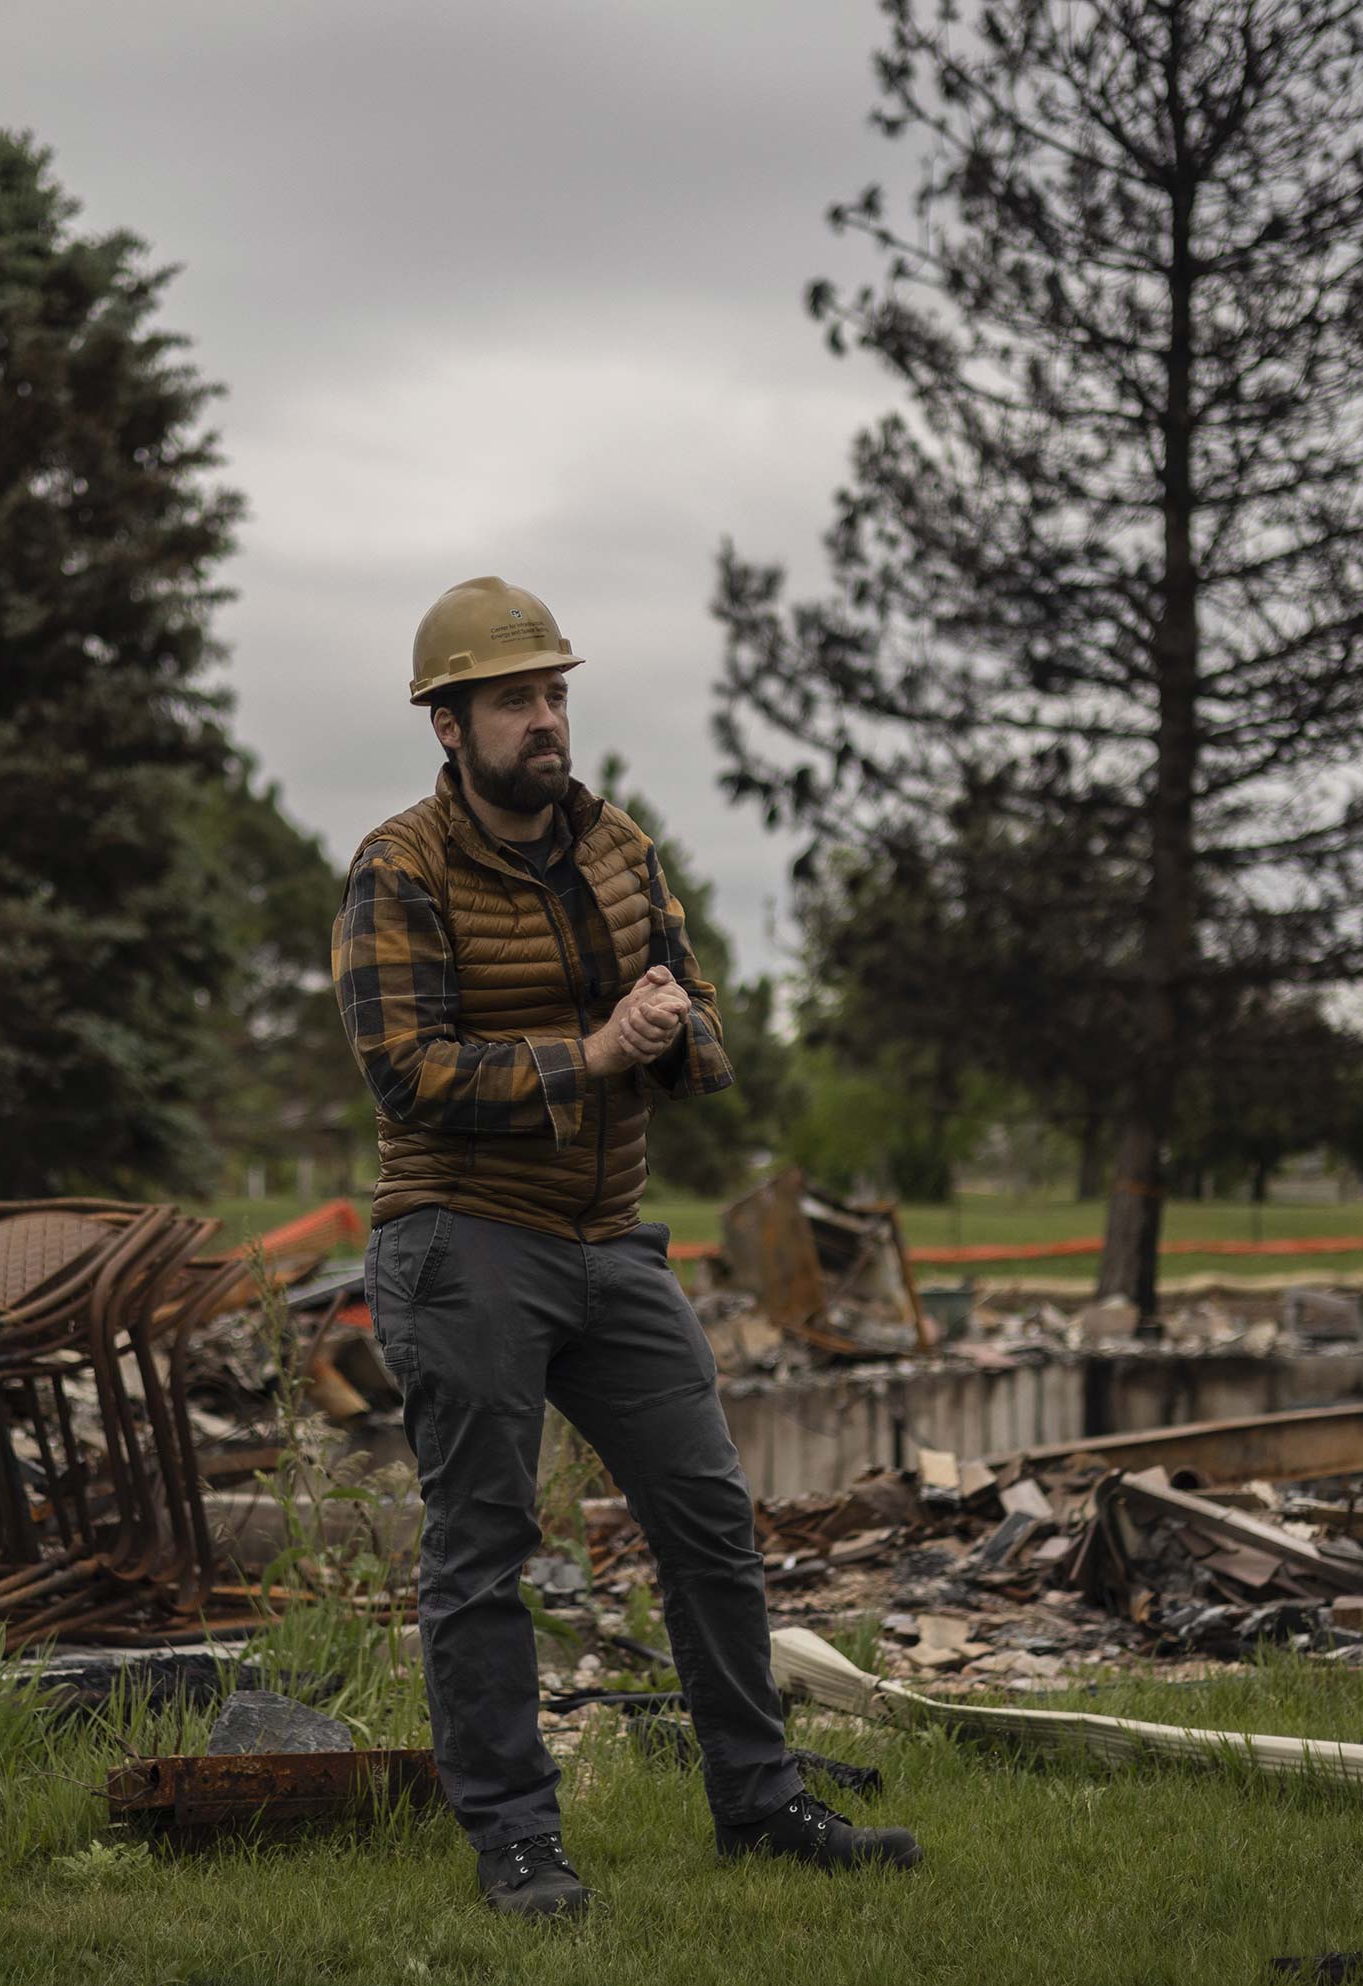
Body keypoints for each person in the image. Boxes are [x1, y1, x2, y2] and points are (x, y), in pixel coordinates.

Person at [330, 575, 921, 1918]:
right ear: (449, 724)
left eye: (555, 694)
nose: (546, 720)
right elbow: (404, 1073)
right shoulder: (396, 869)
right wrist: (593, 1050)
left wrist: (668, 1027)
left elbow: (704, 1023)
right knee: (484, 1546)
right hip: (461, 1235)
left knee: (709, 1518)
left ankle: (760, 1802)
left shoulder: (618, 847)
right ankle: (517, 1839)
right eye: (515, 700)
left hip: (611, 1240)